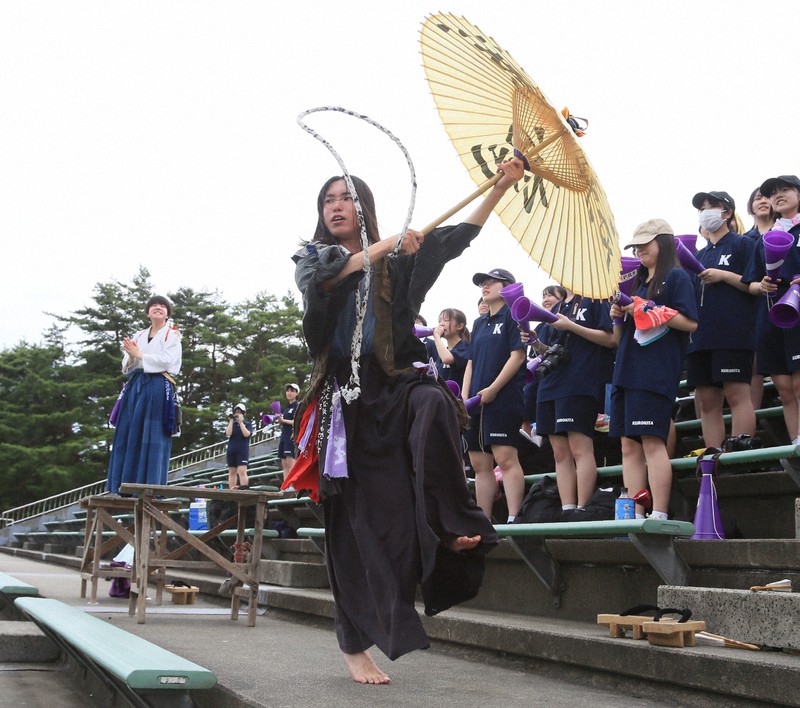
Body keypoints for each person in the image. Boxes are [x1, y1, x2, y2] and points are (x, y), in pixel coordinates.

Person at [284, 157, 524, 684]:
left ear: (362, 206)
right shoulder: (313, 257)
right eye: (328, 200)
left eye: (346, 197)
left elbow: (455, 238)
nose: (337, 206)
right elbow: (326, 281)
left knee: (435, 402)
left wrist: (501, 186)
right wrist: (384, 246)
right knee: (356, 527)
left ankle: (452, 524)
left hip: (392, 386)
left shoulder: (397, 261)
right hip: (345, 405)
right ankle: (353, 642)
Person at [609, 220, 698, 519]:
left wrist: (648, 309)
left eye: (646, 243)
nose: (640, 250)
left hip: (656, 371)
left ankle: (659, 511)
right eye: (637, 245)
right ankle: (633, 512)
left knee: (651, 442)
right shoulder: (638, 283)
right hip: (626, 370)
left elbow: (690, 323)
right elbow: (621, 339)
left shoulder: (676, 277)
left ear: (664, 242)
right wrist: (619, 317)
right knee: (628, 446)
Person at [534, 286, 615, 513]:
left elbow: (610, 339)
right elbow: (552, 350)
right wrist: (535, 342)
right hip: (550, 383)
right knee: (559, 452)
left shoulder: (594, 298)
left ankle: (583, 507)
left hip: (579, 381)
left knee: (580, 448)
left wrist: (571, 325)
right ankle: (567, 508)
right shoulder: (559, 307)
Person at [687, 191, 757, 450]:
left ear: (727, 213)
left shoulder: (743, 244)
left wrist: (724, 275)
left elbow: (756, 286)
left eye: (711, 206)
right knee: (706, 400)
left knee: (736, 394)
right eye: (701, 208)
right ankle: (713, 457)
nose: (705, 212)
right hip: (700, 337)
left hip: (732, 332)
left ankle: (741, 454)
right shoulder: (699, 256)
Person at [463, 268, 527, 522]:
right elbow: (470, 362)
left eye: (491, 282)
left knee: (505, 458)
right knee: (480, 465)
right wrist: (465, 397)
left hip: (503, 399)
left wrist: (494, 389)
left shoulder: (514, 316)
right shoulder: (478, 323)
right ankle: (484, 519)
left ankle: (514, 517)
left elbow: (518, 355)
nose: (485, 286)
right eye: (483, 283)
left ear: (508, 286)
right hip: (476, 403)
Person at [743, 175, 800, 445]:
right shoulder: (764, 239)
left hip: (797, 318)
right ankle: (796, 442)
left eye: (785, 189)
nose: (778, 195)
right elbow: (751, 282)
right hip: (770, 318)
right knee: (785, 390)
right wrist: (761, 285)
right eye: (772, 192)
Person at [106, 295, 182, 494]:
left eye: (162, 306)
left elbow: (167, 361)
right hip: (136, 385)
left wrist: (139, 355)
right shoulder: (139, 335)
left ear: (167, 314)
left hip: (158, 385)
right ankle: (121, 485)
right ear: (148, 313)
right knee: (128, 432)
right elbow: (127, 364)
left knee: (154, 433)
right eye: (154, 306)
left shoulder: (171, 335)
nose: (158, 307)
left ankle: (151, 487)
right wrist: (132, 356)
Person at [431, 308, 470, 391]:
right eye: (439, 321)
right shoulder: (444, 351)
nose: (441, 324)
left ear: (460, 326)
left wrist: (437, 336)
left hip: (458, 399)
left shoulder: (465, 347)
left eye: (446, 320)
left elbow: (447, 359)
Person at [225, 402, 252, 489]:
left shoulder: (247, 424)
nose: (238, 414)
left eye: (240, 412)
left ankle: (244, 489)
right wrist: (231, 420)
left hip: (242, 450)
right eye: (236, 412)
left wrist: (241, 423)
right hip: (232, 449)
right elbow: (228, 433)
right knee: (232, 471)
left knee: (242, 471)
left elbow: (247, 434)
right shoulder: (232, 424)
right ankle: (232, 489)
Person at [277, 383, 300, 481]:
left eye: (292, 391)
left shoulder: (298, 405)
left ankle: (293, 485)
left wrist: (283, 421)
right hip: (284, 436)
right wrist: (280, 421)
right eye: (288, 391)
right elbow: (285, 422)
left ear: (296, 393)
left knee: (291, 462)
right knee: (284, 464)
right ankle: (285, 486)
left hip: (291, 437)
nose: (289, 393)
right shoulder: (287, 407)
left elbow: (298, 422)